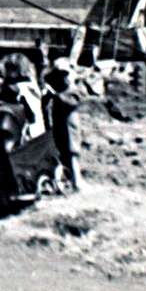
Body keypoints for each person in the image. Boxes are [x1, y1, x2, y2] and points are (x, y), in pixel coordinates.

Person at [45, 61, 85, 193]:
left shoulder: (72, 90)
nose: (64, 78)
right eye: (61, 75)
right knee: (63, 153)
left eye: (65, 75)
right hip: (61, 126)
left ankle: (77, 181)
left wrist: (55, 96)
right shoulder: (60, 91)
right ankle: (67, 180)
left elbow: (72, 102)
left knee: (72, 153)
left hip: (70, 126)